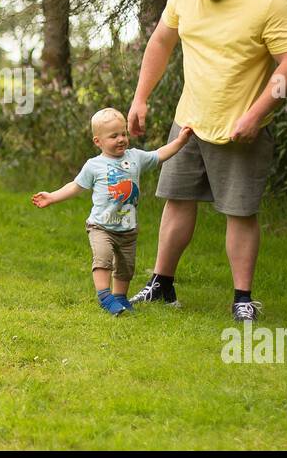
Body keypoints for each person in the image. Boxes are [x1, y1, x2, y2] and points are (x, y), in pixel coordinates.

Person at [127, 0, 287, 321]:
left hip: (240, 127)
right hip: (190, 120)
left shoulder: (268, 0)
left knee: (240, 212)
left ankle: (242, 298)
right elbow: (161, 41)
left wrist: (256, 114)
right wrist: (141, 97)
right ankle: (162, 284)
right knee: (177, 200)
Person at [31, 108, 193, 315]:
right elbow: (75, 186)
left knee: (126, 267)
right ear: (98, 141)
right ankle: (105, 297)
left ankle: (120, 298)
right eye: (113, 136)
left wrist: (180, 142)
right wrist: (52, 197)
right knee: (103, 258)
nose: (121, 139)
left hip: (127, 228)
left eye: (123, 134)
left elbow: (159, 155)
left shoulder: (135, 157)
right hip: (101, 226)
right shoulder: (94, 165)